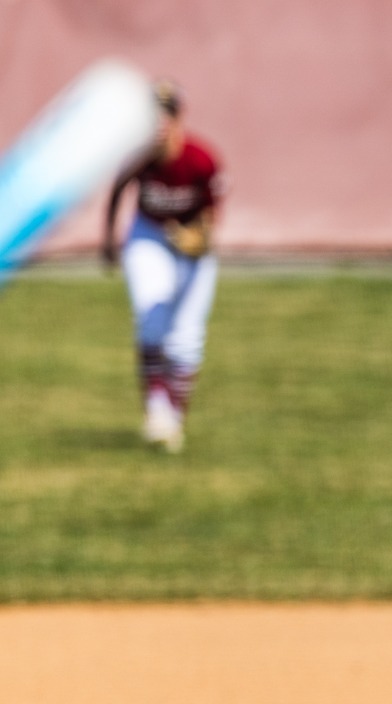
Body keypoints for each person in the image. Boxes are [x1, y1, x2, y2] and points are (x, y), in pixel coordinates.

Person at [101, 80, 222, 454]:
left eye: (165, 114)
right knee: (152, 315)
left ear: (178, 117)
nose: (158, 123)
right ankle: (157, 409)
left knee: (187, 335)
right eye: (152, 115)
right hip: (149, 234)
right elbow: (118, 190)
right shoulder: (140, 157)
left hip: (189, 241)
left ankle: (174, 419)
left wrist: (201, 236)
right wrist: (109, 238)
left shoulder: (201, 158)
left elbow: (212, 210)